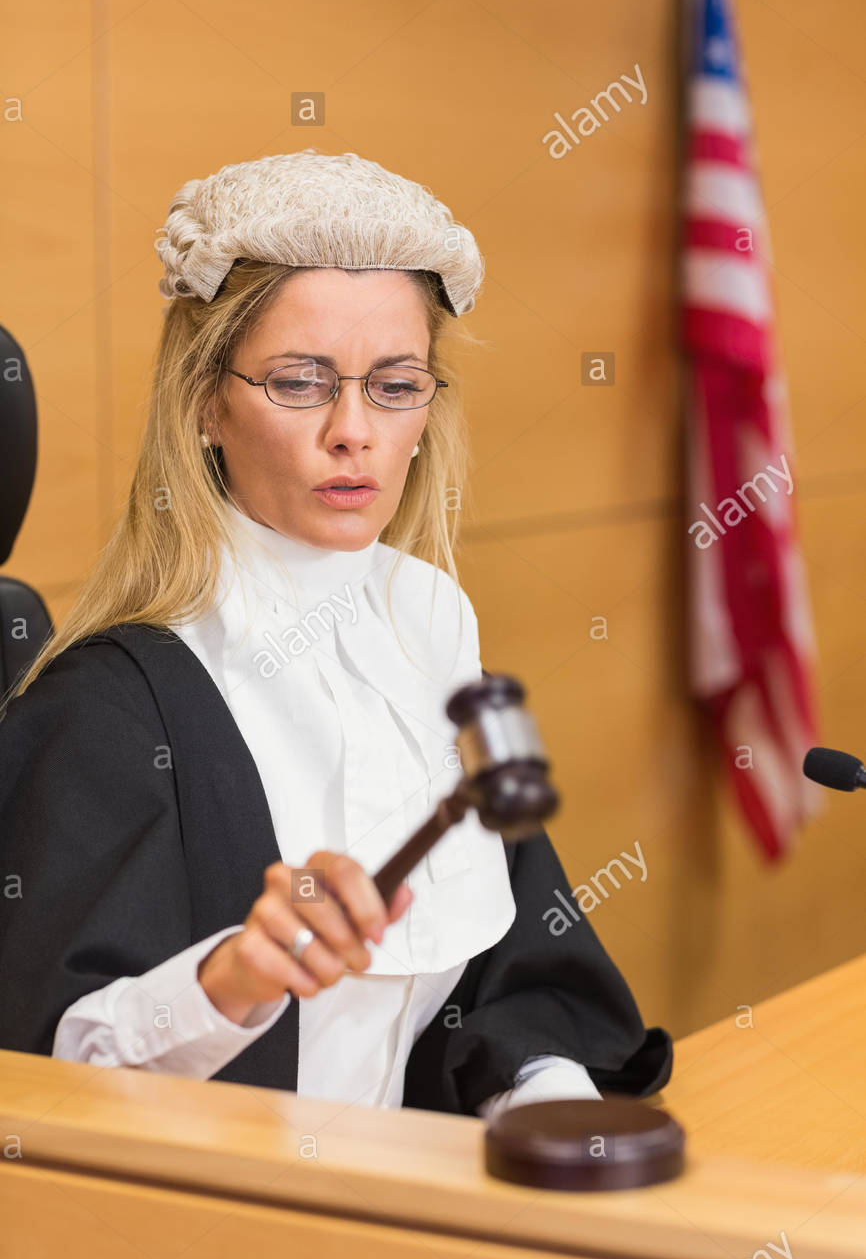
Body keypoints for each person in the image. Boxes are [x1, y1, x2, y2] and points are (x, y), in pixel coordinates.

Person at [0, 150, 672, 1117]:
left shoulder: (428, 628)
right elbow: (45, 1087)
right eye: (301, 383)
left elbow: (508, 978)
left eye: (395, 386)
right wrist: (231, 980)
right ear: (203, 403)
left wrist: (547, 1104)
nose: (354, 430)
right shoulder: (105, 705)